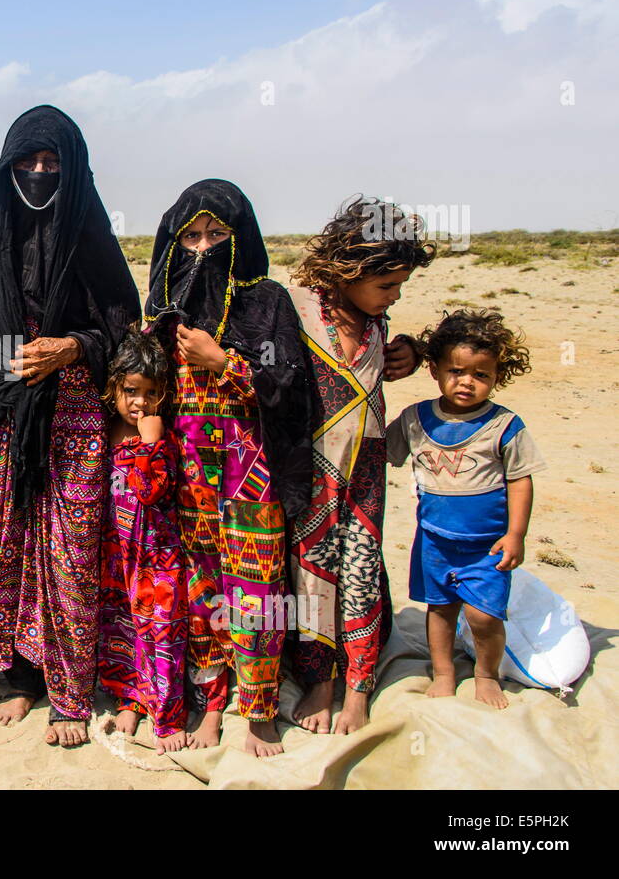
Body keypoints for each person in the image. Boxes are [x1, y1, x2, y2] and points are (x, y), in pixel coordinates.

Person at [0, 105, 141, 747]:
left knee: (69, 554)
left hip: (76, 415)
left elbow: (121, 322)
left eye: (51, 162)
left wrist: (71, 346)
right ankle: (23, 677)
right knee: (6, 547)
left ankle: (70, 687)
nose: (37, 172)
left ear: (72, 167)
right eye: (26, 162)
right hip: (4, 416)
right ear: (8, 166)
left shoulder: (89, 229)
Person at [144, 179, 314, 757]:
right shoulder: (164, 314)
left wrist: (225, 363)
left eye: (217, 234)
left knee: (258, 589)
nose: (203, 246)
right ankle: (212, 701)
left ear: (241, 238)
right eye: (190, 236)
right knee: (202, 589)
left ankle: (259, 709)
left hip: (250, 475)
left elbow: (291, 388)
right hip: (188, 478)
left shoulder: (267, 302)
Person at [285, 197, 436, 734]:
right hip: (312, 473)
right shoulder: (297, 307)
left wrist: (412, 352)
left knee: (362, 570)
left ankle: (358, 688)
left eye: (398, 287)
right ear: (349, 270)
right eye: (387, 285)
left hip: (366, 471)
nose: (393, 297)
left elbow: (404, 352)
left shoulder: (377, 317)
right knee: (311, 574)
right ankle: (320, 681)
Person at [386, 309, 544, 710]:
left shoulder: (505, 425)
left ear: (497, 377)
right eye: (456, 371)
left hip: (488, 546)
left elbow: (520, 479)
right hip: (434, 542)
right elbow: (380, 452)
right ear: (436, 369)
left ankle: (486, 675)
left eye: (482, 375)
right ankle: (442, 673)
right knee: (439, 610)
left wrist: (516, 535)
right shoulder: (415, 420)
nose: (467, 382)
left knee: (484, 617)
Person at [96, 328, 189, 753]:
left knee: (161, 631)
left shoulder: (161, 437)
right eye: (131, 391)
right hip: (116, 554)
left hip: (156, 554)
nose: (140, 403)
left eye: (151, 394)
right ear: (114, 388)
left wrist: (151, 444)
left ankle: (167, 716)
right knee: (120, 626)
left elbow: (153, 491)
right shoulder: (103, 432)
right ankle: (129, 699)